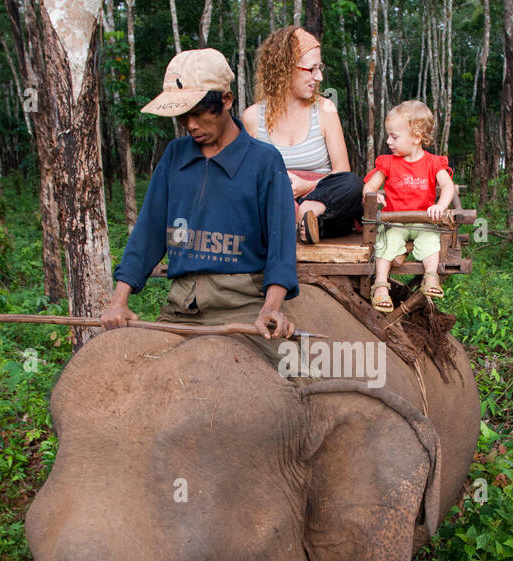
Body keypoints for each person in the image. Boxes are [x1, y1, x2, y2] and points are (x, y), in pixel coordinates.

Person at [99, 48, 299, 373]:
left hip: (242, 304)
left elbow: (281, 248)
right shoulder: (175, 156)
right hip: (182, 307)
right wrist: (118, 300)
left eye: (200, 113)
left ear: (227, 100)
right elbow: (148, 234)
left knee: (299, 380)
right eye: (182, 117)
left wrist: (271, 308)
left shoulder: (264, 161)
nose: (191, 125)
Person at [242, 26, 362, 245]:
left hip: (321, 201)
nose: (319, 76)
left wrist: (308, 187)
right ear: (285, 68)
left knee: (352, 184)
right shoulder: (252, 117)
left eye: (320, 67)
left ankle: (306, 221)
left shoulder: (325, 109)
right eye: (311, 69)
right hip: (274, 201)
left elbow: (342, 172)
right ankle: (297, 223)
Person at [362, 100, 456, 313]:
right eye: (388, 135)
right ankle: (381, 286)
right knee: (386, 242)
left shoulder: (433, 163)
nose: (388, 141)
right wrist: (373, 194)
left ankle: (431, 277)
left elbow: (448, 187)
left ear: (416, 138)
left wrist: (440, 206)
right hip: (395, 221)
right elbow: (368, 187)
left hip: (424, 221)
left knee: (432, 241)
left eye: (394, 136)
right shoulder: (389, 162)